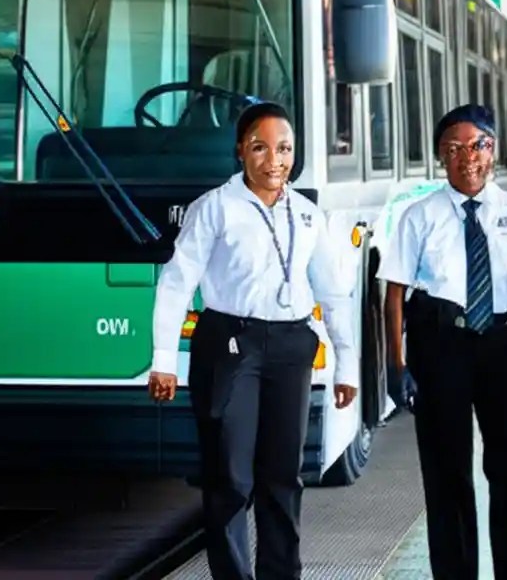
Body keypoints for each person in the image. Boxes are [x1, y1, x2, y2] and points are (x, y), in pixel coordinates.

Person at [147, 101, 359, 580]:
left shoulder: (307, 216)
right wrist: (162, 360)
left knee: (283, 477)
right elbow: (177, 282)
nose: (274, 160)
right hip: (230, 346)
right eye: (261, 148)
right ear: (241, 150)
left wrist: (346, 364)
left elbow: (333, 290)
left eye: (284, 149)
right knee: (230, 479)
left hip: (291, 347)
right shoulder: (215, 209)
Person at [377, 103, 507, 580]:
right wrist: (396, 365)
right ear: (442, 156)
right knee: (447, 474)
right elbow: (394, 292)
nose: (468, 158)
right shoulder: (417, 216)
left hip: (501, 346)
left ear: (493, 150)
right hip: (440, 346)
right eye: (455, 148)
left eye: (478, 145)